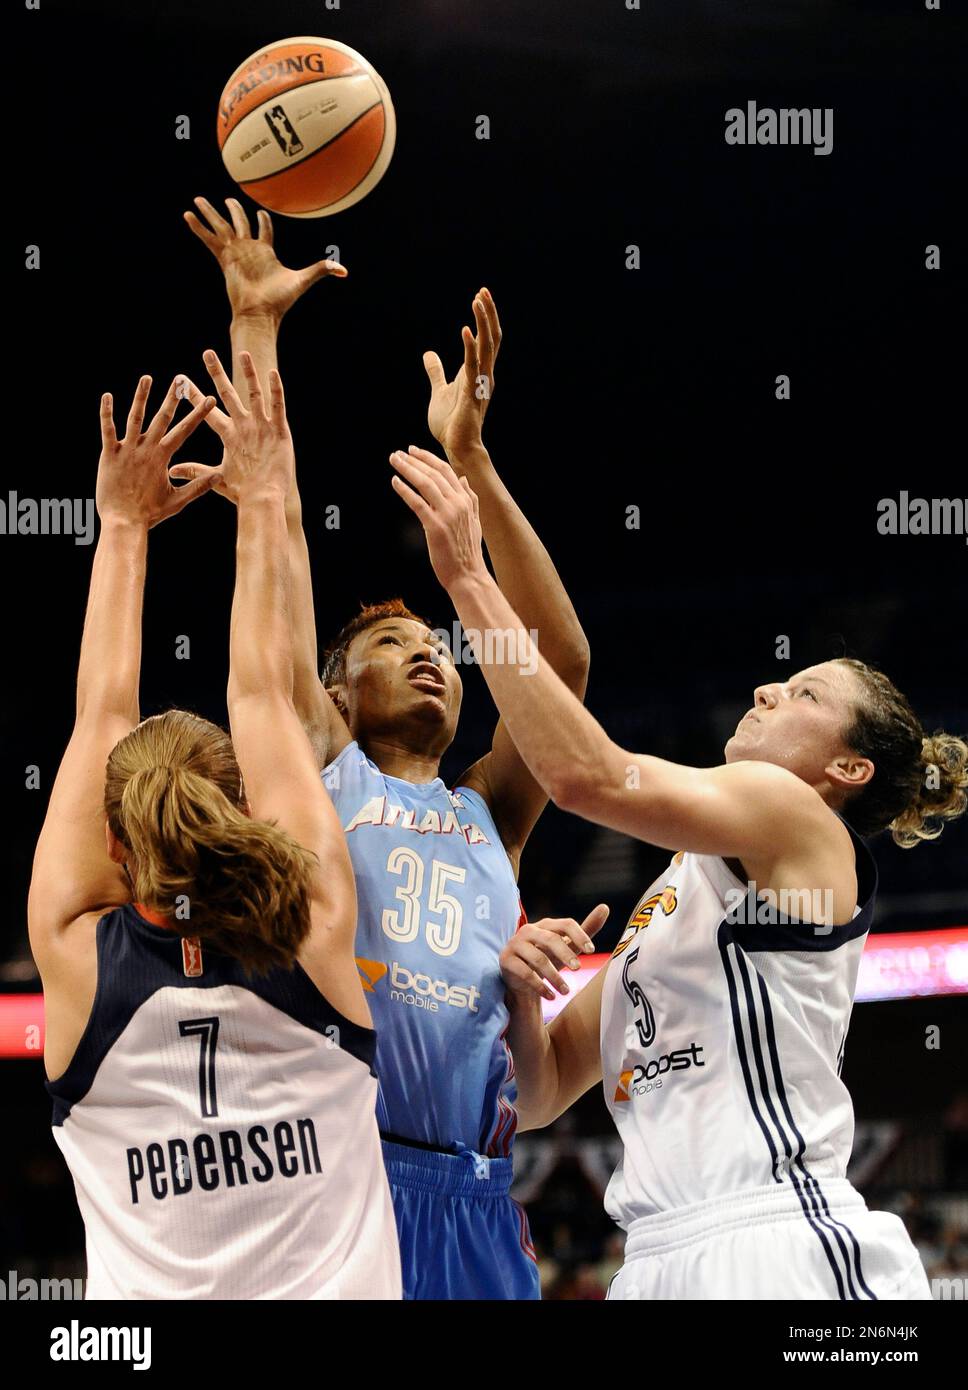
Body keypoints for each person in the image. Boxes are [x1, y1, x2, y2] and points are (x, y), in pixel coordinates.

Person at [389, 441, 968, 1300]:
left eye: (807, 695)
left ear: (846, 770)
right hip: (655, 1257)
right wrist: (519, 993)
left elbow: (583, 774)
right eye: (784, 680)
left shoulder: (794, 818)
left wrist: (469, 581)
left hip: (779, 1237)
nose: (771, 690)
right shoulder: (677, 890)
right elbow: (543, 1091)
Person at [179, 196, 593, 1299]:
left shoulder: (488, 809)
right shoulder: (323, 771)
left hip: (475, 1192)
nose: (431, 656)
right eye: (392, 644)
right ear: (334, 691)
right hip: (346, 1181)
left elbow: (558, 661)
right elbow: (267, 597)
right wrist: (255, 330)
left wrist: (475, 464)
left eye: (440, 647)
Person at [30, 357, 401, 1300]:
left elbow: (99, 717)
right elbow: (262, 692)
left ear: (115, 846)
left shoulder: (78, 957)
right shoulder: (313, 924)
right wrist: (262, 496)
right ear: (245, 811)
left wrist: (120, 528)